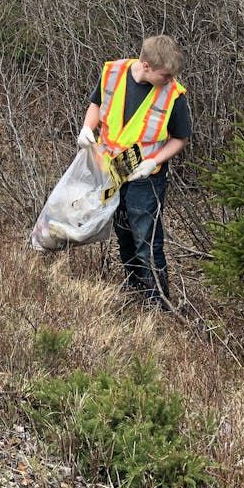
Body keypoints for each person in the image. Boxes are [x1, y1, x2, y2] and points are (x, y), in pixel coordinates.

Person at [78, 35, 190, 309]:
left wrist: (154, 161)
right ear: (146, 66)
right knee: (123, 230)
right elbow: (96, 104)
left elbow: (181, 138)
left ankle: (157, 302)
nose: (170, 80)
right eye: (165, 75)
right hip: (112, 170)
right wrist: (87, 128)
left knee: (147, 238)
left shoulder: (174, 95)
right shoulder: (113, 72)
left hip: (146, 177)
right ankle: (134, 286)